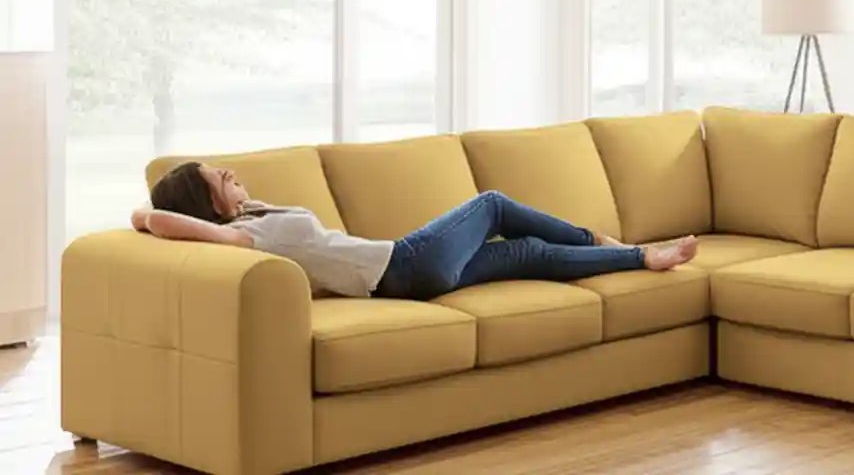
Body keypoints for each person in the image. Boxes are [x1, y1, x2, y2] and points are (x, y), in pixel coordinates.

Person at [132, 161, 698, 300]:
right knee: (494, 204)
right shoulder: (243, 238)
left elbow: (159, 215)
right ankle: (593, 239)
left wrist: (220, 199)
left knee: (524, 250)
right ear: (208, 206)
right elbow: (156, 218)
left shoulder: (253, 216)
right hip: (404, 261)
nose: (232, 174)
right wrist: (146, 215)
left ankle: (640, 259)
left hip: (406, 281)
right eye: (219, 178)